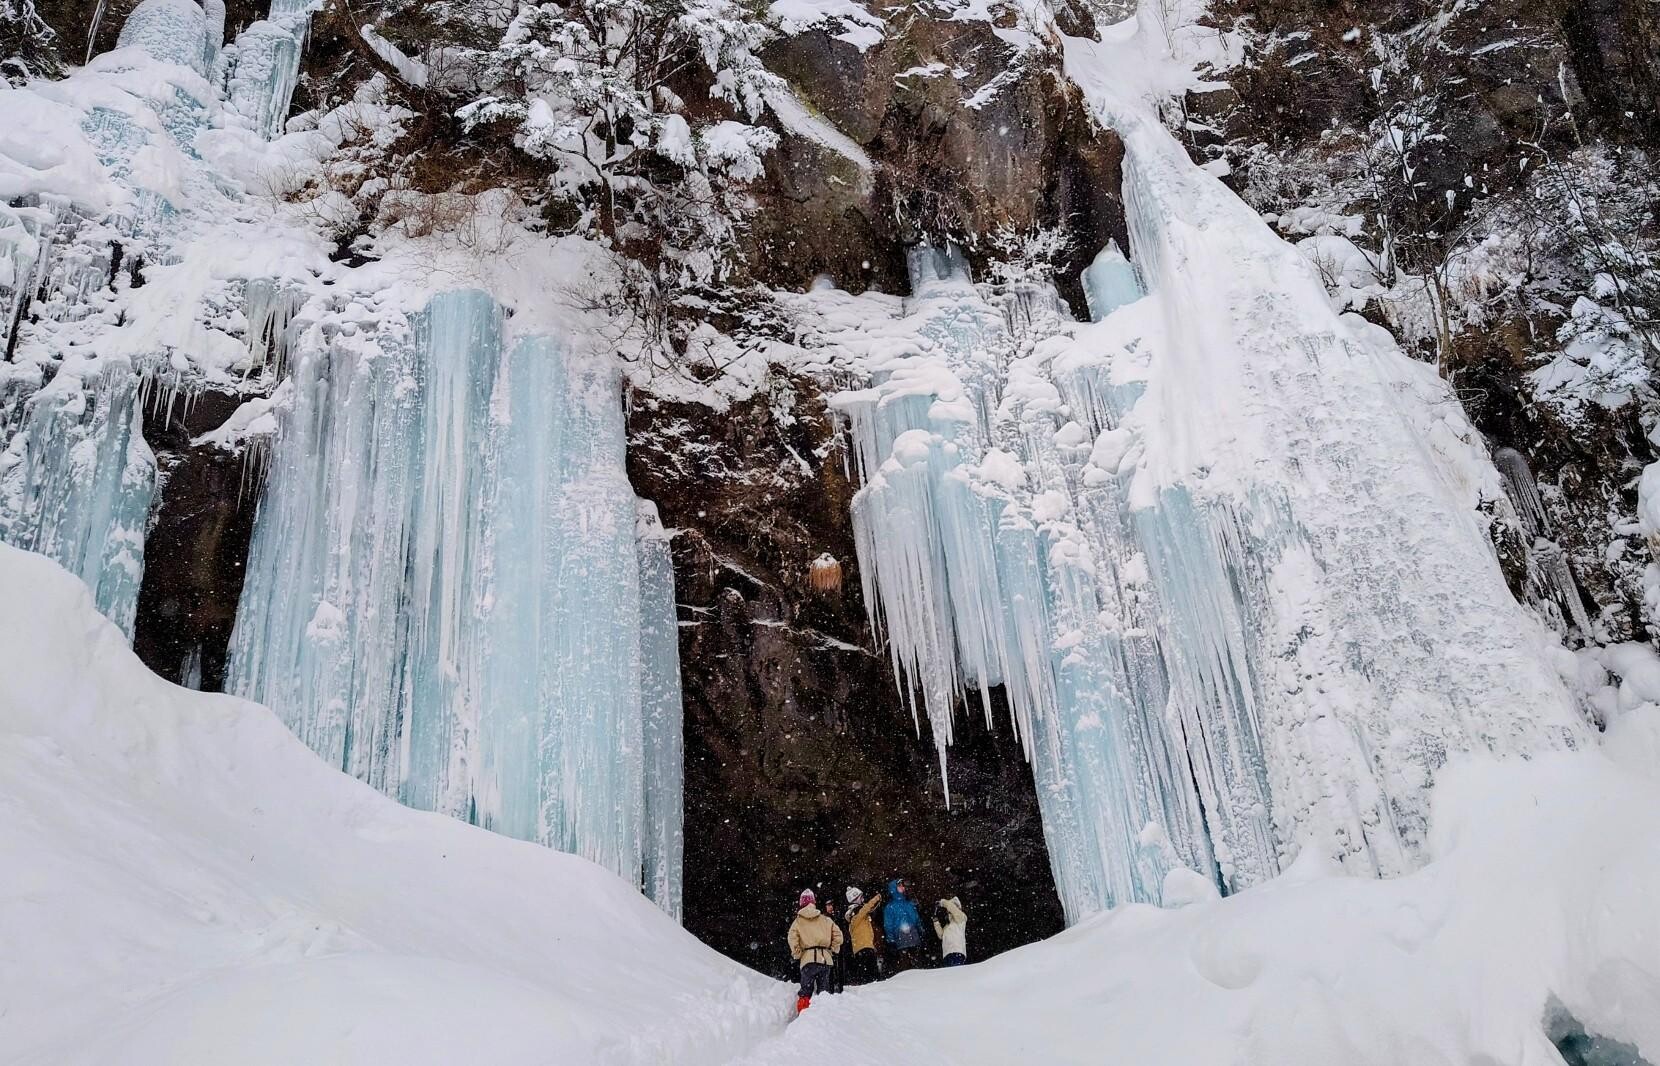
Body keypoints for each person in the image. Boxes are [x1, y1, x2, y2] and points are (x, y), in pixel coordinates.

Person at [787, 889, 843, 1013]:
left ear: (801, 903)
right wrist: (833, 950)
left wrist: (798, 954)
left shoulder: (797, 922)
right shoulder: (826, 920)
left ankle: (803, 1017)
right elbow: (839, 936)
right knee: (824, 992)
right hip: (825, 961)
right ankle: (824, 1017)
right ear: (814, 903)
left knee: (805, 992)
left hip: (807, 961)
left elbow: (792, 938)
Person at [881, 877, 924, 972]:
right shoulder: (890, 907)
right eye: (899, 886)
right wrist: (891, 939)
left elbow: (916, 918)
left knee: (918, 967)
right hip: (901, 939)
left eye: (903, 886)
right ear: (893, 889)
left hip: (914, 937)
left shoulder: (909, 903)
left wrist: (920, 929)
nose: (903, 887)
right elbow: (888, 925)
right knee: (905, 968)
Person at [844, 885, 883, 985]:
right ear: (856, 899)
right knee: (871, 977)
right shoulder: (857, 914)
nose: (863, 899)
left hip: (863, 948)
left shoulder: (857, 915)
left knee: (866, 975)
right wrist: (876, 898)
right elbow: (867, 908)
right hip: (864, 948)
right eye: (861, 897)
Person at [821, 896, 849, 993]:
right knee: (830, 969)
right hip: (828, 947)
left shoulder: (838, 917)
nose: (830, 907)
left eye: (831, 905)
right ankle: (831, 989)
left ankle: (841, 987)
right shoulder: (823, 918)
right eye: (828, 905)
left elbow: (842, 931)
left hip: (839, 945)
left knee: (840, 967)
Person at [933, 896, 968, 966]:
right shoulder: (947, 926)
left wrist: (943, 903)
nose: (948, 911)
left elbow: (952, 908)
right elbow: (941, 935)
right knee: (950, 975)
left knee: (956, 973)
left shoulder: (961, 918)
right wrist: (936, 922)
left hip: (957, 951)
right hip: (947, 953)